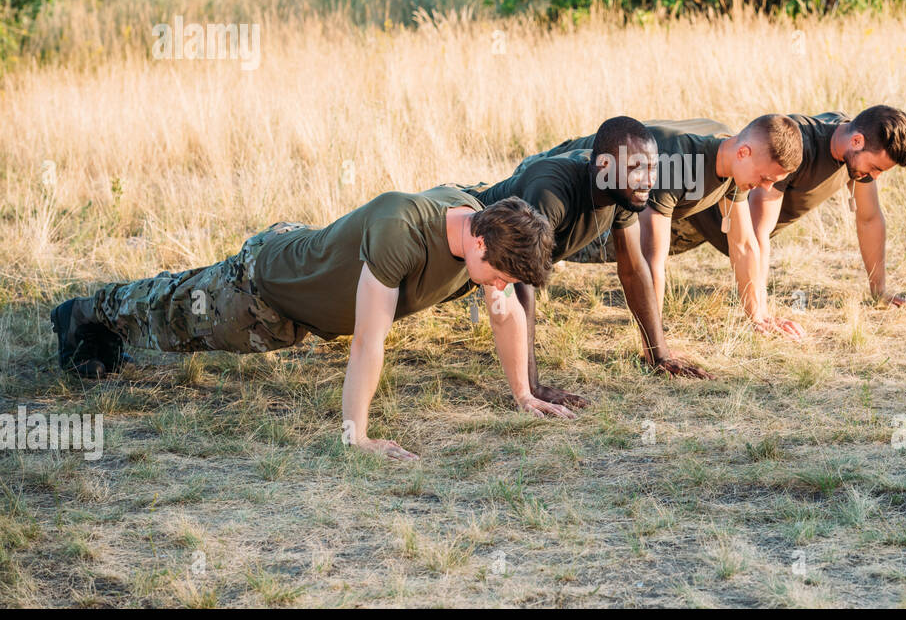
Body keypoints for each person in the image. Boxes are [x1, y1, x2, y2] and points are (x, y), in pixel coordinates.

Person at [50, 190, 554, 459]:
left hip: (298, 312)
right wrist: (355, 438)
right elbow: (366, 344)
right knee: (169, 316)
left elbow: (504, 313)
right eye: (503, 274)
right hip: (264, 287)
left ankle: (97, 326)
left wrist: (523, 395)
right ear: (481, 243)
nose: (501, 286)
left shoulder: (480, 232)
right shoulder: (401, 231)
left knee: (173, 323)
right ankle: (80, 316)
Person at [463, 117, 712, 417]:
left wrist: (659, 355)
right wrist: (531, 388)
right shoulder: (551, 189)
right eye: (637, 169)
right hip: (465, 251)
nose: (649, 181)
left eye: (652, 168)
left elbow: (633, 268)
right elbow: (521, 278)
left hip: (495, 272)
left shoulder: (621, 193)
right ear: (606, 167)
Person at [520, 115, 804, 335]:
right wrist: (655, 347)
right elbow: (650, 259)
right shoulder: (676, 165)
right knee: (521, 252)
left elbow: (743, 245)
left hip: (603, 203)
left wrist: (760, 316)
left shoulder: (736, 166)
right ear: (744, 152)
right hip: (550, 179)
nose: (766, 187)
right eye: (766, 178)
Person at [668, 107, 906, 316]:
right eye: (875, 167)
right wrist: (760, 315)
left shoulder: (855, 147)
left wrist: (880, 291)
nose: (874, 176)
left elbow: (869, 219)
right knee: (639, 258)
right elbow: (757, 233)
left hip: (734, 234)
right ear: (856, 141)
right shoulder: (797, 150)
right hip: (696, 214)